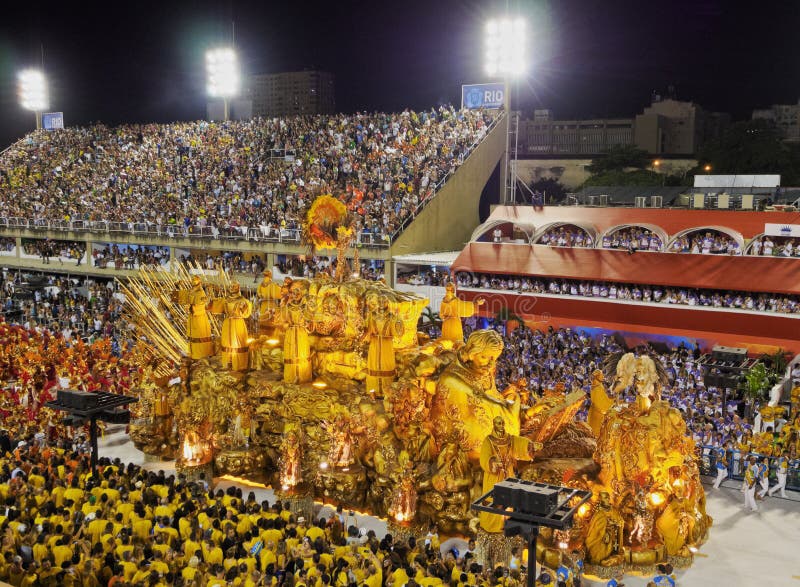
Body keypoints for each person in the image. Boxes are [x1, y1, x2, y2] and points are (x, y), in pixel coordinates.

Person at [478, 416, 541, 532]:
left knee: (508, 505)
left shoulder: (510, 440)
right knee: (493, 504)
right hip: (494, 479)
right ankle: (492, 528)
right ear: (494, 425)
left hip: (508, 477)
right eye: (498, 423)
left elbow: (520, 444)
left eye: (502, 423)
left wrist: (531, 446)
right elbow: (484, 458)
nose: (501, 426)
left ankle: (507, 526)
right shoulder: (488, 441)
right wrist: (492, 462)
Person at [364, 293, 403, 398]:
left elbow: (398, 332)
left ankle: (387, 391)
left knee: (387, 366)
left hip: (387, 345)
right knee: (373, 366)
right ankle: (373, 391)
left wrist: (399, 322)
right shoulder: (372, 315)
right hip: (374, 344)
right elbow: (365, 329)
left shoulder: (392, 317)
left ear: (387, 303)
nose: (381, 303)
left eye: (384, 301)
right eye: (380, 301)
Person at [209, 282, 253, 371]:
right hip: (227, 324)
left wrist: (243, 309)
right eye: (231, 286)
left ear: (238, 287)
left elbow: (246, 313)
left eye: (234, 286)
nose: (232, 287)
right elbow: (215, 307)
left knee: (238, 345)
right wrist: (210, 300)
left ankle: (239, 366)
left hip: (238, 324)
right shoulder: (225, 299)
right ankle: (227, 364)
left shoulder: (243, 301)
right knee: (227, 344)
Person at [184, 275, 215, 360]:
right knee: (192, 337)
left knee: (199, 337)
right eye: (192, 280)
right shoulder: (191, 292)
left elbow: (201, 306)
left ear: (199, 282)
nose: (193, 282)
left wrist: (191, 307)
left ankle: (200, 355)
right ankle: (193, 354)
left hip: (199, 318)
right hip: (192, 318)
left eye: (195, 280)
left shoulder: (201, 293)